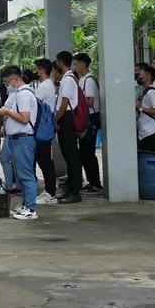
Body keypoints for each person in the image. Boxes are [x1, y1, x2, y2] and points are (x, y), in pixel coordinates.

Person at [0, 64, 39, 220]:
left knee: (26, 175)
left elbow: (25, 118)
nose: (7, 85)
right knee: (21, 175)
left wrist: (6, 112)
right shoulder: (18, 94)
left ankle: (31, 208)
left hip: (23, 139)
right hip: (16, 139)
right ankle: (26, 204)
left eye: (7, 82)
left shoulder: (23, 94)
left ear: (15, 79)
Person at [54, 51, 83, 204]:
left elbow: (64, 104)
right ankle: (70, 189)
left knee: (72, 157)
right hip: (64, 118)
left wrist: (55, 120)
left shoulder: (68, 80)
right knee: (68, 156)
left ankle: (75, 191)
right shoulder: (67, 79)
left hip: (66, 118)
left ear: (60, 62)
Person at [73, 52, 103, 193]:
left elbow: (89, 101)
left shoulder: (89, 80)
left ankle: (95, 183)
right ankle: (91, 181)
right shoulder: (83, 79)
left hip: (90, 119)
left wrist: (77, 103)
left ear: (83, 64)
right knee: (85, 152)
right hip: (87, 118)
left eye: (76, 63)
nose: (75, 66)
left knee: (88, 152)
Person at [32, 58, 58, 204]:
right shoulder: (47, 85)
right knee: (43, 159)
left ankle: (50, 193)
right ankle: (49, 191)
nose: (35, 71)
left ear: (41, 69)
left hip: (42, 128)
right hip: (44, 127)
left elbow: (33, 104)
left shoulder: (44, 86)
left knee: (45, 161)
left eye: (36, 68)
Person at [135, 63, 155, 156]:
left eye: (141, 75)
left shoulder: (152, 92)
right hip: (144, 131)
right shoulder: (144, 92)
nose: (139, 77)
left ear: (147, 78)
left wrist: (140, 108)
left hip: (151, 131)